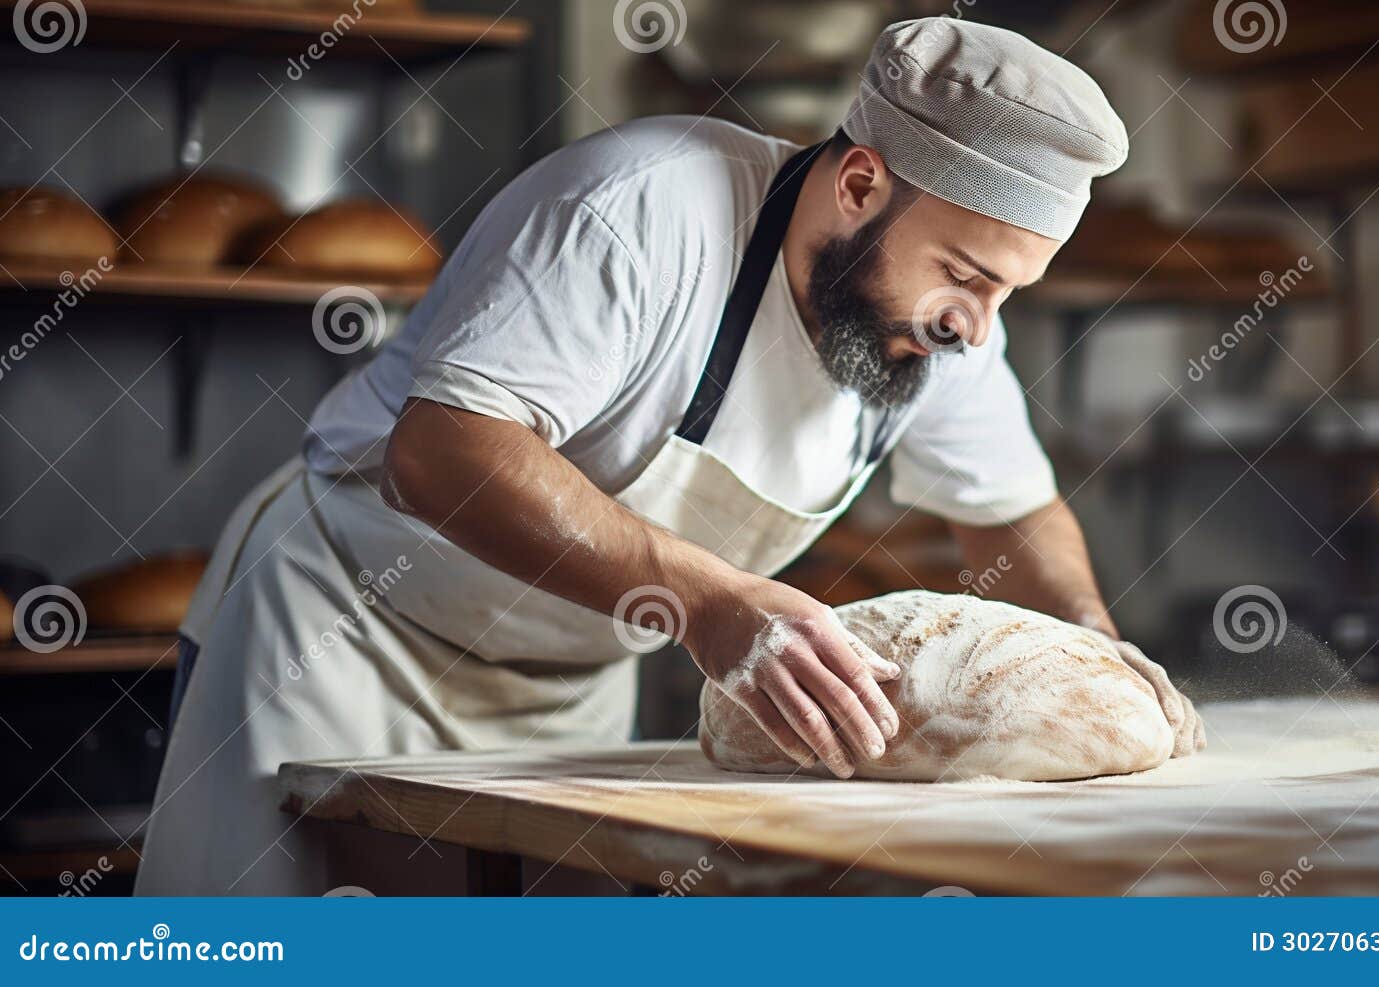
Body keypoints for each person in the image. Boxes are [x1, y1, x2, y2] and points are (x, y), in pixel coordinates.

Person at [137, 16, 1203, 895]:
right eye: (966, 276)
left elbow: (1011, 511)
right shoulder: (636, 213)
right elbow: (446, 452)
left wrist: (1097, 649)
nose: (974, 326)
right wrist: (709, 605)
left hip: (562, 698)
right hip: (349, 637)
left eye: (1003, 292)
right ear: (863, 184)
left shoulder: (944, 320)